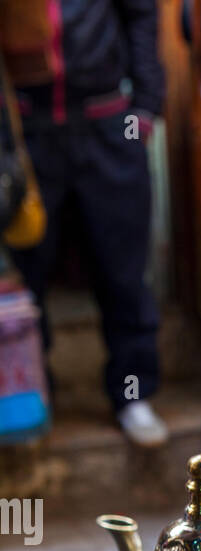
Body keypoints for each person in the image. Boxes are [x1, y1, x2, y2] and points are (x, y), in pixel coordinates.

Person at [1, 0, 168, 447]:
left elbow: (141, 14)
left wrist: (146, 108)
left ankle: (133, 393)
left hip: (109, 123)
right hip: (25, 129)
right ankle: (34, 397)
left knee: (123, 269)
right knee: (25, 272)